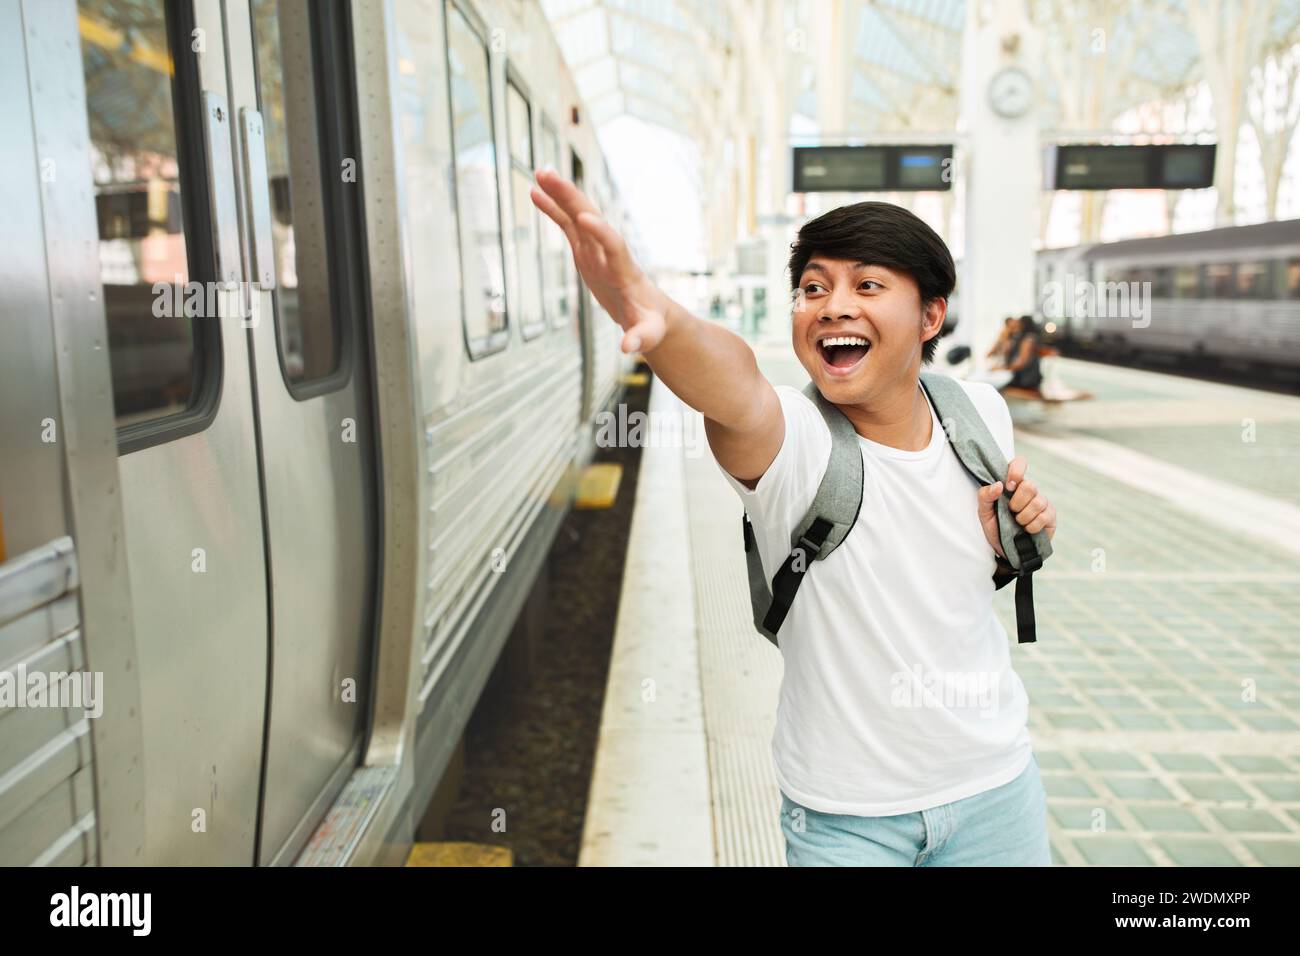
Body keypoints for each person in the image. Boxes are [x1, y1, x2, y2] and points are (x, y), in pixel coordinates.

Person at [531, 171, 1057, 867]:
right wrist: (658, 320)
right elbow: (734, 384)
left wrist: (1011, 540)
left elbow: (948, 577)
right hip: (848, 820)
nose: (833, 306)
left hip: (997, 789)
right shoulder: (792, 442)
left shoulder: (978, 414)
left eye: (867, 286)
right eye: (813, 288)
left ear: (931, 316)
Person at [971, 314, 1044, 391]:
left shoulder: (1028, 338)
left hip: (1023, 377)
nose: (1015, 329)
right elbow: (989, 354)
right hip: (1009, 372)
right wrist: (1003, 337)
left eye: (1016, 326)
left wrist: (1001, 368)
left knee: (987, 384)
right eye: (1010, 327)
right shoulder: (1012, 338)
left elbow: (1021, 362)